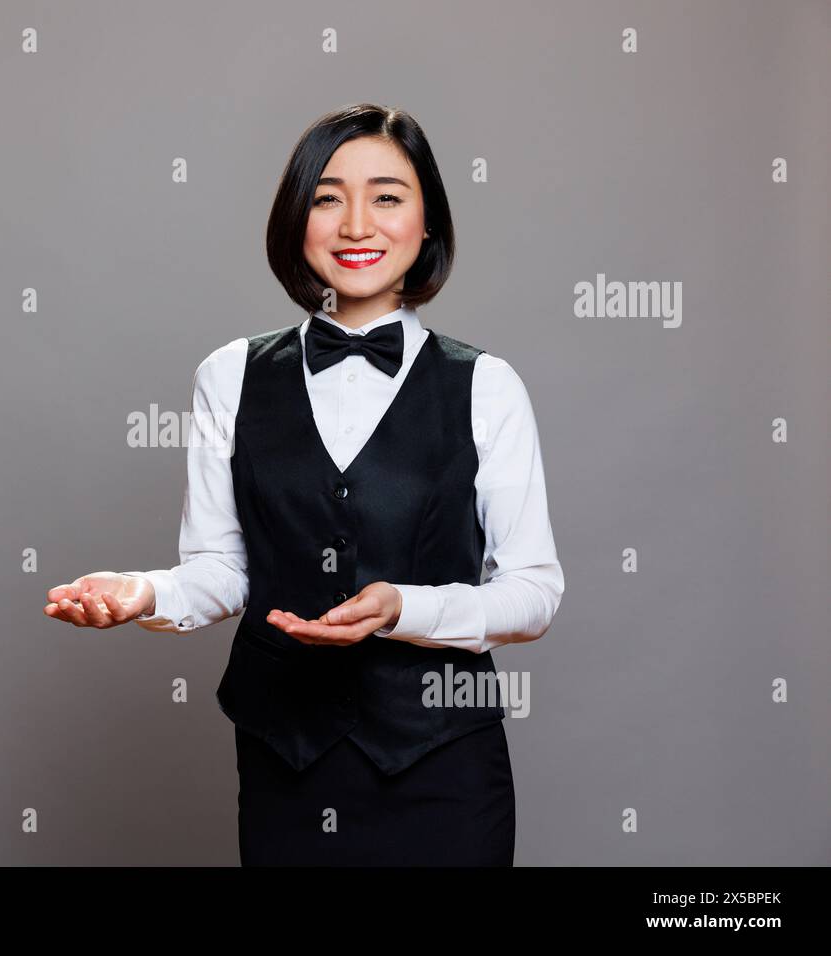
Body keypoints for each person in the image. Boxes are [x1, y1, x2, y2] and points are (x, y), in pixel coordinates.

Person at [44, 103, 563, 866]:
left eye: (387, 196)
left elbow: (533, 592)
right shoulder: (229, 375)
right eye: (328, 197)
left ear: (427, 224)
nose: (357, 224)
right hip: (287, 759)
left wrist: (403, 608)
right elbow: (223, 572)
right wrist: (142, 593)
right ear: (296, 220)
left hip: (446, 767)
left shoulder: (487, 385)